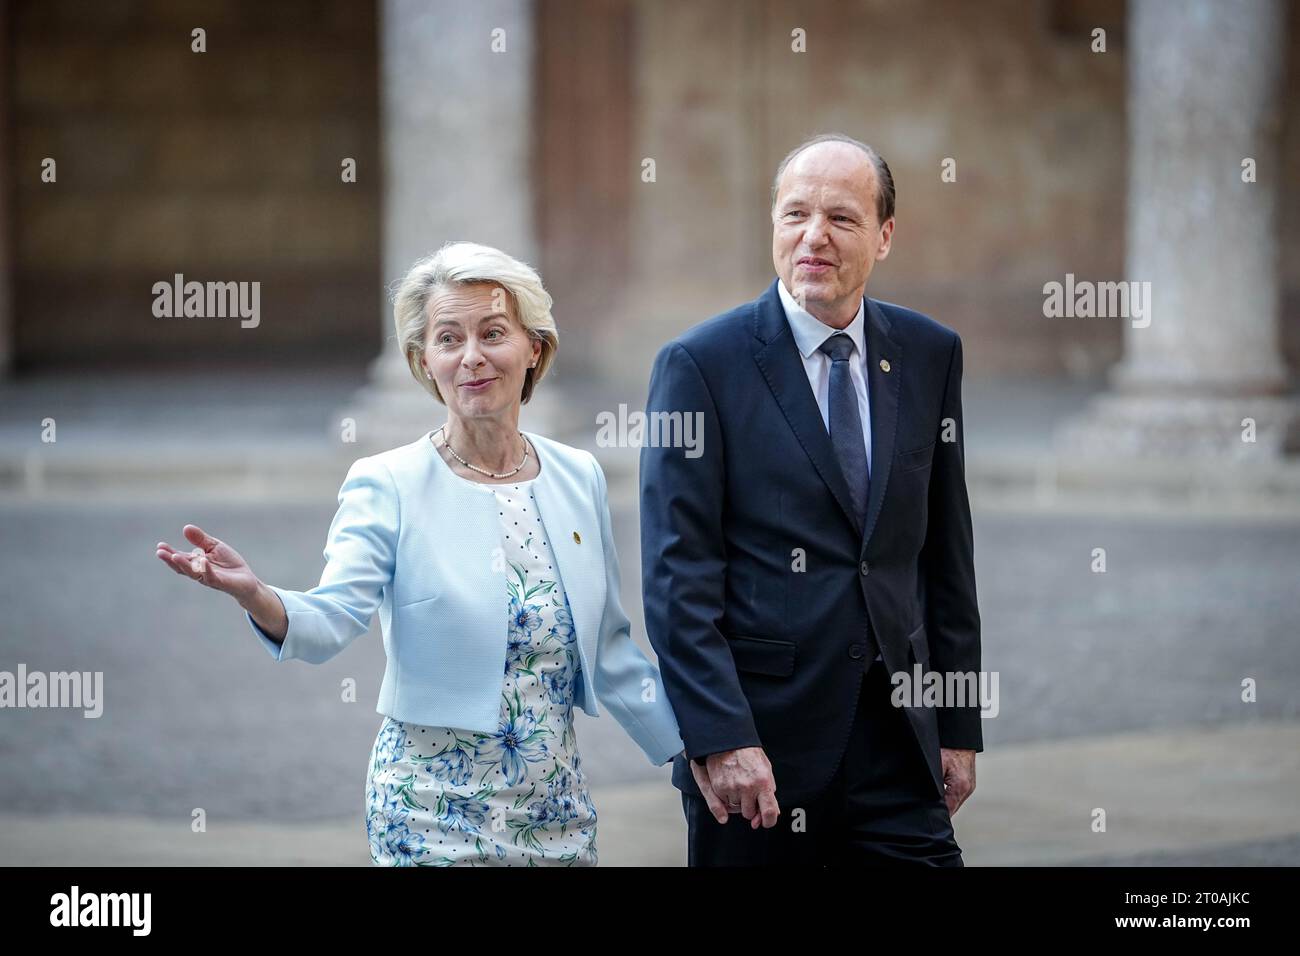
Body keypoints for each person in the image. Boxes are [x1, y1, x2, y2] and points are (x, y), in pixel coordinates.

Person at [157, 240, 684, 866]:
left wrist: (705, 748)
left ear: (534, 347)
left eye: (493, 332)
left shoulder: (578, 476)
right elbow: (333, 619)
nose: (472, 358)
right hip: (429, 814)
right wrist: (257, 595)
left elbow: (609, 651)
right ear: (423, 360)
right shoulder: (388, 481)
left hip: (554, 812)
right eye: (448, 339)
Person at [639, 134, 983, 866]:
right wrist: (722, 736)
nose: (813, 237)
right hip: (759, 758)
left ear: (885, 236)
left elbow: (947, 555)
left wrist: (957, 723)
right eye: (794, 214)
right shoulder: (700, 365)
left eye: (842, 218)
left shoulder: (929, 352)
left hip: (898, 742)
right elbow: (678, 578)